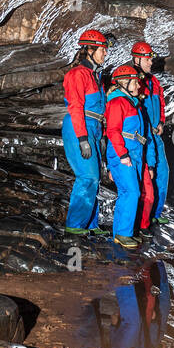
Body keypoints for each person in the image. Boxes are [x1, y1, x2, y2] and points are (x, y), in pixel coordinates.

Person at [61, 28, 108, 235]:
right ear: (89, 50)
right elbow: (76, 107)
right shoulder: (77, 74)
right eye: (102, 50)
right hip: (79, 127)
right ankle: (74, 226)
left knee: (95, 178)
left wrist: (101, 136)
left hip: (94, 128)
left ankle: (90, 223)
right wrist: (82, 138)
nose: (105, 54)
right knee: (87, 177)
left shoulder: (95, 76)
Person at [104, 64, 155, 249]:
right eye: (135, 82)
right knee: (131, 192)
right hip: (122, 154)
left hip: (133, 154)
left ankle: (122, 233)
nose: (139, 86)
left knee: (129, 193)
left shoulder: (132, 103)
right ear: (125, 83)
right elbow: (113, 131)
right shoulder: (117, 103)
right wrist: (122, 154)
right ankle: (123, 234)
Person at [132, 41, 171, 225]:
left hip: (156, 135)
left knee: (163, 172)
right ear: (137, 59)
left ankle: (155, 213)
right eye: (147, 60)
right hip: (143, 136)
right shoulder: (133, 80)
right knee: (147, 175)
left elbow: (161, 104)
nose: (150, 63)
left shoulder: (154, 81)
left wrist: (162, 122)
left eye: (150, 60)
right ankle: (142, 217)